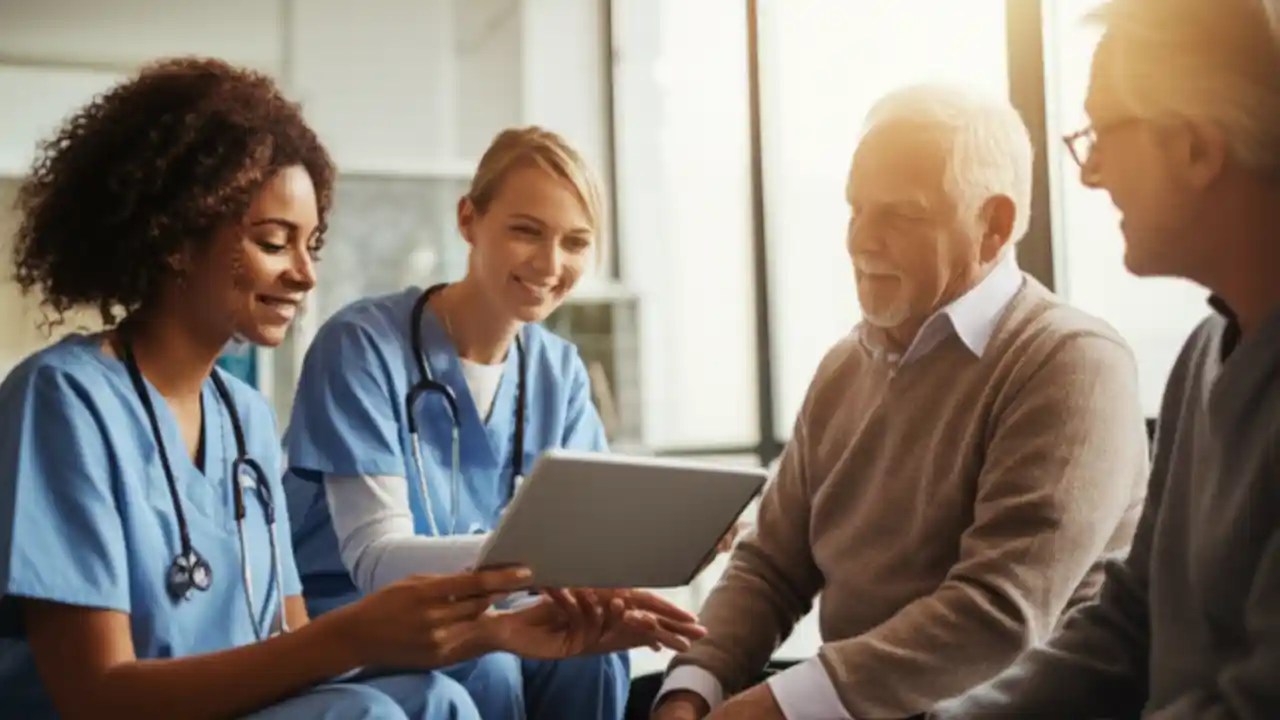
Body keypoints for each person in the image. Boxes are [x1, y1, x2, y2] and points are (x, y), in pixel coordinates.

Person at [0, 58, 703, 720]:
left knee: (442, 701)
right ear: (175, 239)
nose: (305, 275)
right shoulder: (64, 400)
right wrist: (358, 635)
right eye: (276, 242)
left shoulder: (242, 415)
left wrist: (501, 634)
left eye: (313, 244)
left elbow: (287, 638)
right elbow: (96, 698)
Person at [640, 84, 1151, 720]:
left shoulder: (1071, 361)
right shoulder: (844, 367)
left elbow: (996, 613)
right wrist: (691, 690)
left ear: (993, 226)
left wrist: (773, 710)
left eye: (899, 215)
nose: (861, 241)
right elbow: (770, 567)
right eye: (856, 210)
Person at [282, 125, 703, 719]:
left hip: (498, 615)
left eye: (576, 242)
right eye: (526, 231)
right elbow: (374, 562)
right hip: (355, 629)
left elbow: (586, 545)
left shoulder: (560, 373)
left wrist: (672, 540)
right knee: (489, 663)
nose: (551, 263)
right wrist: (541, 565)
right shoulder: (361, 347)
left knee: (591, 656)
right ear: (468, 220)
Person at [934, 0, 1280, 716]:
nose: (1090, 174)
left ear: (1195, 147)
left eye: (1101, 134)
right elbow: (1131, 617)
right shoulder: (1205, 354)